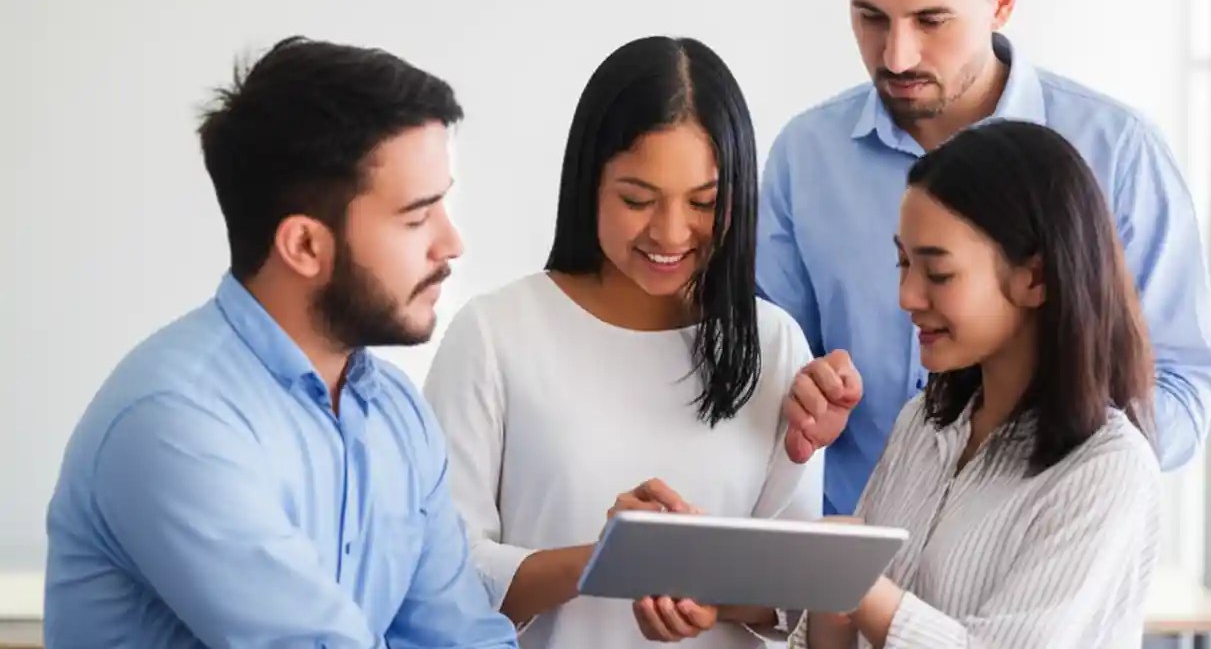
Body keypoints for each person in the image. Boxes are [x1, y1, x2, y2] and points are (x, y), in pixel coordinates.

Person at [44, 37, 518, 648]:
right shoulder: (175, 421)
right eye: (417, 217)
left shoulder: (396, 413)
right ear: (304, 246)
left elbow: (463, 637)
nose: (451, 243)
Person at [756, 0, 1211, 516]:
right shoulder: (805, 158)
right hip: (841, 568)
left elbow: (1182, 390)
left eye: (931, 21)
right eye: (870, 17)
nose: (896, 56)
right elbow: (767, 370)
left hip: (1035, 567)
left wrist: (1038, 460)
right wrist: (799, 402)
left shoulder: (1119, 154)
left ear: (1002, 0)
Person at [423, 36, 854, 649]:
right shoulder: (496, 336)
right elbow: (443, 571)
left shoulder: (774, 342)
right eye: (637, 199)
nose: (671, 233)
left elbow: (795, 596)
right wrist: (608, 561)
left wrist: (706, 586)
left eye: (704, 203)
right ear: (587, 182)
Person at [796, 120, 1162, 648]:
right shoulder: (923, 423)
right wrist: (826, 588)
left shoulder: (1107, 470)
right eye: (903, 262)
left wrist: (858, 588)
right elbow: (839, 624)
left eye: (938, 274)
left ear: (1035, 278)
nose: (907, 296)